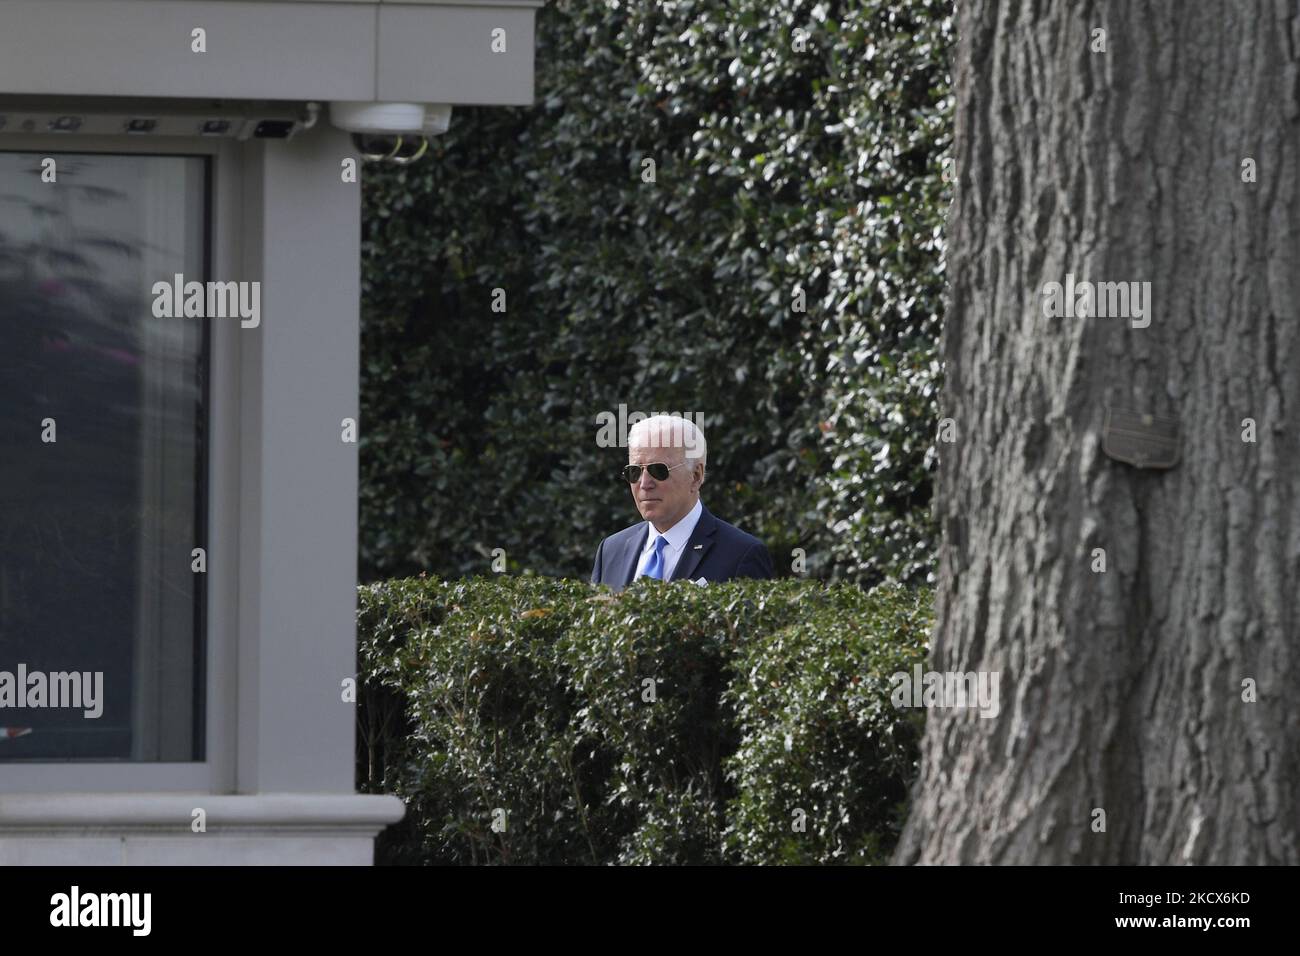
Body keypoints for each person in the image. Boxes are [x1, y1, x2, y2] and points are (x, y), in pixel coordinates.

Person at [590, 414, 774, 591]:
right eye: (634, 472)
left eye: (658, 470)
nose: (644, 484)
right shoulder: (610, 550)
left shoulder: (741, 555)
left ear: (695, 476)